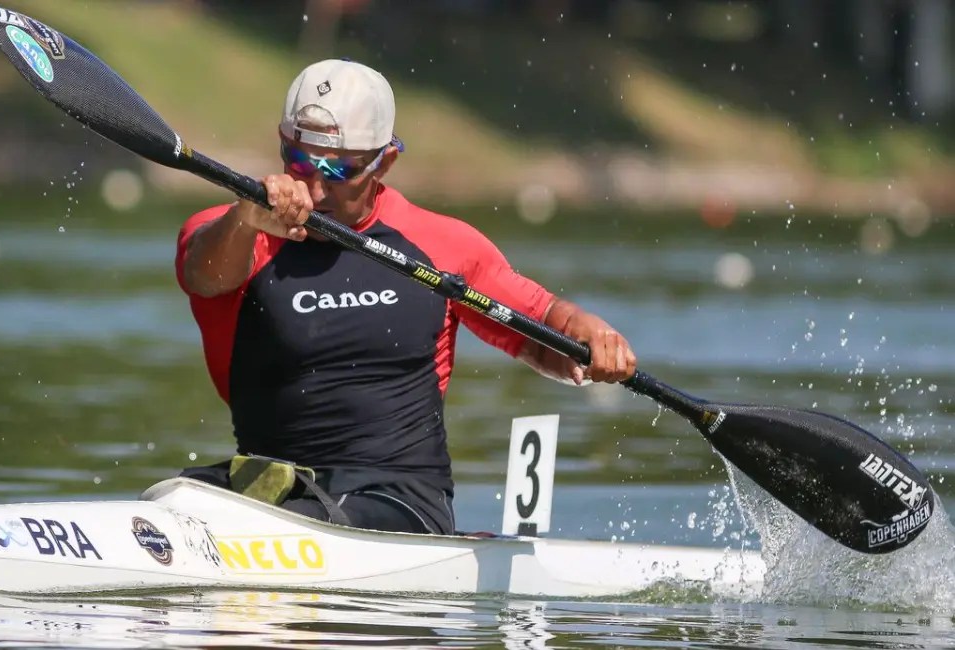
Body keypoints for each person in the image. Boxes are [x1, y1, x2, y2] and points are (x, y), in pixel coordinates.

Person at [175, 58, 636, 536]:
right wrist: (243, 218)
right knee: (176, 498)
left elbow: (541, 328)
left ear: (384, 162)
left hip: (400, 502)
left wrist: (588, 335)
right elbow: (203, 276)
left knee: (299, 520)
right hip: (272, 492)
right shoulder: (232, 233)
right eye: (299, 161)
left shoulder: (443, 244)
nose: (313, 185)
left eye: (337, 168)